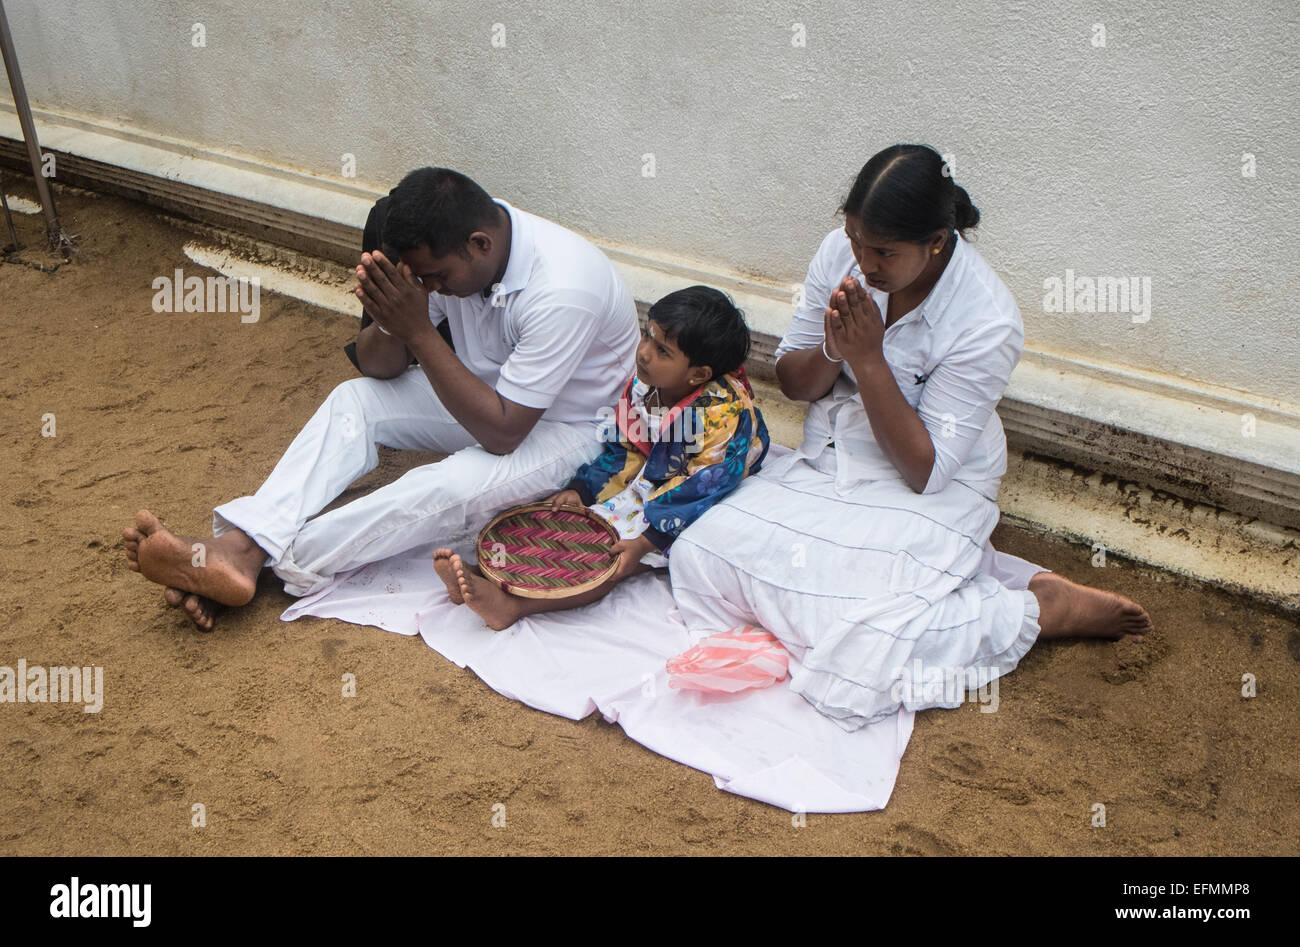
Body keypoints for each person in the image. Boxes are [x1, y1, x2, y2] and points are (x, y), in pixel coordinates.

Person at [668, 144, 1154, 731]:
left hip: (929, 486)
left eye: (883, 252)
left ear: (938, 242)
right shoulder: (840, 257)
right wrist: (832, 346)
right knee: (698, 554)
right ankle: (973, 575)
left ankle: (1037, 609)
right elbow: (797, 384)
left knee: (856, 640)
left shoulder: (987, 320)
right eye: (854, 239)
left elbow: (925, 469)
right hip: (829, 461)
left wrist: (869, 361)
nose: (863, 262)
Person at [122, 167, 640, 630]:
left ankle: (252, 557)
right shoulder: (453, 254)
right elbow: (378, 367)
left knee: (449, 484)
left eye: (438, 277)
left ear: (480, 244)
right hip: (488, 398)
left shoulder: (565, 288)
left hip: (568, 431)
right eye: (423, 278)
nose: (432, 286)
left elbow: (503, 434)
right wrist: (389, 316)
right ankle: (237, 554)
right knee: (357, 400)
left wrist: (419, 330)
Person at [434, 285, 770, 630]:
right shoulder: (646, 386)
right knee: (580, 523)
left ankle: (514, 606)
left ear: (697, 374)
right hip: (664, 471)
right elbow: (626, 447)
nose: (643, 354)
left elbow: (702, 486)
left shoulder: (720, 418)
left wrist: (646, 541)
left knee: (610, 562)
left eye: (662, 350)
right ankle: (495, 575)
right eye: (647, 336)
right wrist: (584, 488)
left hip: (698, 494)